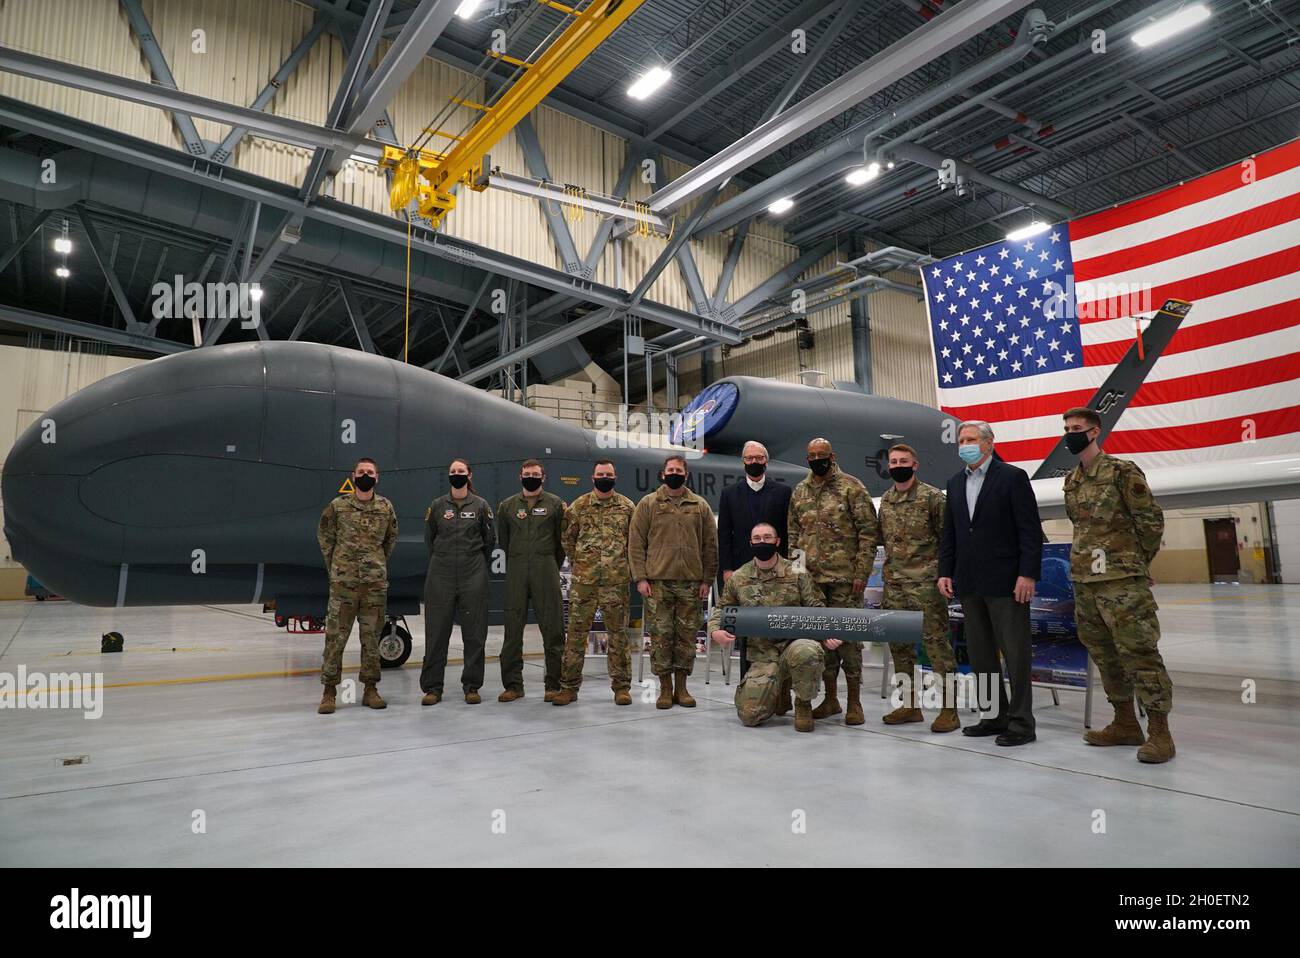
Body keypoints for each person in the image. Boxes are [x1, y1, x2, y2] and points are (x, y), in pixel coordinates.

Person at [1062, 407, 1174, 763]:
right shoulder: (1072, 480)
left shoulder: (1122, 472)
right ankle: (1125, 722)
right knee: (1103, 653)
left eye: (1076, 428)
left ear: (1094, 432)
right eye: (1066, 429)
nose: (1069, 434)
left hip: (1122, 582)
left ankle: (1160, 732)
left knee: (1140, 653)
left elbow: (1150, 521)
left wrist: (1139, 565)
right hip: (1085, 582)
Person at [938, 421, 1042, 746]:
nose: (965, 444)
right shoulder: (954, 483)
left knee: (1015, 653)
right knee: (981, 655)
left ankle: (1022, 722)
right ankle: (993, 715)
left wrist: (1028, 574)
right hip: (969, 582)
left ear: (988, 443)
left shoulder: (1012, 477)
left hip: (1007, 582)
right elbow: (951, 533)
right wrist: (945, 571)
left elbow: (1029, 530)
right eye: (961, 440)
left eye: (971, 439)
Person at [787, 438, 879, 725]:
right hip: (812, 581)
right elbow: (793, 534)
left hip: (844, 579)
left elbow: (868, 533)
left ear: (832, 456)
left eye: (821, 455)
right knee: (821, 642)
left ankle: (854, 702)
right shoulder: (800, 491)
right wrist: (798, 574)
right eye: (811, 455)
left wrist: (862, 573)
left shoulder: (852, 487)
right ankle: (830, 699)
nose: (816, 459)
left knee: (848, 641)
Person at [708, 523, 834, 732]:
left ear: (777, 542)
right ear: (750, 543)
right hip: (762, 655)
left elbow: (816, 608)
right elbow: (722, 609)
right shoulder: (739, 577)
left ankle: (803, 704)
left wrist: (827, 634)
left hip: (795, 646)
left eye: (767, 537)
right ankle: (780, 691)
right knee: (750, 715)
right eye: (756, 538)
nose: (762, 542)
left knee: (807, 652)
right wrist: (715, 631)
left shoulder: (797, 572)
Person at [878, 443, 959, 732]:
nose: (897, 465)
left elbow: (949, 541)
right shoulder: (886, 500)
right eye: (893, 461)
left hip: (926, 585)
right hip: (895, 585)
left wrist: (945, 575)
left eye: (903, 461)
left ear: (915, 465)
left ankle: (949, 709)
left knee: (936, 646)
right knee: (899, 648)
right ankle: (909, 705)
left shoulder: (932, 498)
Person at [629, 454, 718, 709]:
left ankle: (682, 688)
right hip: (657, 584)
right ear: (662, 473)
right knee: (660, 637)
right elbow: (636, 543)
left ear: (686, 475)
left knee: (686, 637)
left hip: (691, 584)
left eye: (679, 470)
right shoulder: (648, 504)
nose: (674, 473)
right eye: (670, 469)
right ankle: (665, 689)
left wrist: (707, 579)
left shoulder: (699, 506)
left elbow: (710, 546)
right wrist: (640, 578)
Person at [316, 457, 398, 715]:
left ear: (377, 477)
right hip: (344, 586)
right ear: (353, 476)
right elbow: (325, 538)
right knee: (335, 639)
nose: (365, 475)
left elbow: (390, 540)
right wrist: (338, 568)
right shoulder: (338, 507)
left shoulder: (386, 507)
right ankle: (329, 692)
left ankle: (370, 690)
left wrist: (376, 564)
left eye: (370, 472)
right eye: (361, 471)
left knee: (371, 639)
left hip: (374, 585)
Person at [554, 460, 635, 706]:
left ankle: (621, 688)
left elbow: (635, 541)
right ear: (592, 478)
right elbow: (567, 538)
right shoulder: (579, 506)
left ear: (615, 477)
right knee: (576, 636)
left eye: (608, 474)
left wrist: (624, 565)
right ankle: (568, 687)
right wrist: (581, 562)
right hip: (584, 583)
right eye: (600, 474)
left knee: (618, 636)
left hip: (616, 582)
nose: (604, 478)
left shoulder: (627, 506)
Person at [420, 458, 495, 706]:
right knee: (436, 633)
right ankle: (432, 687)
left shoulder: (481, 506)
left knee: (474, 634)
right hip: (440, 573)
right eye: (452, 471)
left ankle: (472, 686)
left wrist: (472, 562)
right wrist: (443, 561)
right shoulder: (437, 506)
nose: (456, 474)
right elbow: (430, 539)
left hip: (472, 572)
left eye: (461, 471)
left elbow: (489, 540)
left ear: (469, 475)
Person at [717, 440, 793, 679]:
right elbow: (724, 535)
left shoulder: (783, 492)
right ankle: (747, 682)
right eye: (749, 459)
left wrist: (791, 567)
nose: (754, 462)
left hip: (775, 572)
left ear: (766, 462)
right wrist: (727, 569)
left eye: (758, 458)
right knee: (745, 629)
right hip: (741, 573)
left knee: (775, 627)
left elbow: (790, 534)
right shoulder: (729, 494)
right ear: (743, 462)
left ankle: (778, 681)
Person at [497, 459, 567, 702]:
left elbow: (562, 543)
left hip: (545, 567)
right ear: (520, 476)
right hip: (516, 568)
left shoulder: (556, 504)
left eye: (535, 474)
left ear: (543, 477)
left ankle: (553, 685)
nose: (531, 477)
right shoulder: (507, 506)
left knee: (553, 628)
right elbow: (504, 540)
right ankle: (513, 685)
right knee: (512, 629)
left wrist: (547, 562)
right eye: (527, 474)